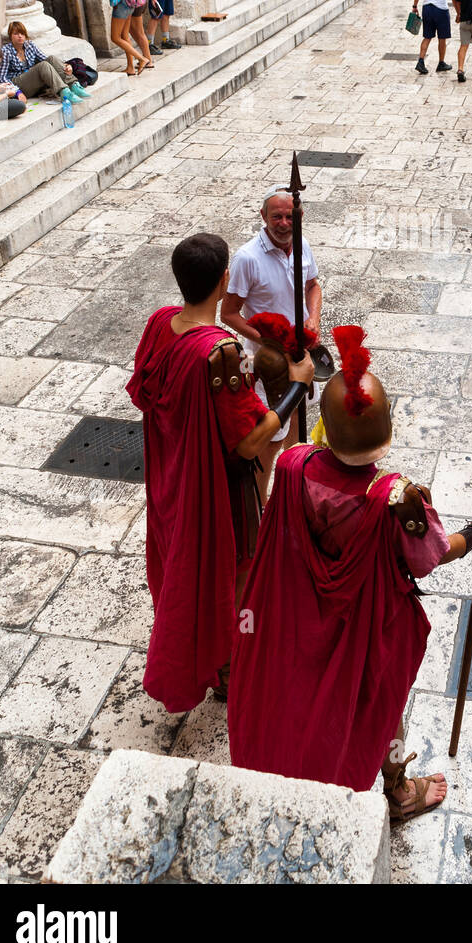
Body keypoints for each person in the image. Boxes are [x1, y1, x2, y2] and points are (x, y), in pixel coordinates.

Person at [228, 323, 472, 817]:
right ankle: (397, 790)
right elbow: (435, 554)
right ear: (387, 431)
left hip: (300, 614)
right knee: (384, 708)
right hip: (369, 624)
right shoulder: (399, 500)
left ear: (326, 430)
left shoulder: (293, 465)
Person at [127, 232, 316, 711]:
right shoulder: (219, 353)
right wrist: (296, 388)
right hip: (216, 489)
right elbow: (249, 440)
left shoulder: (159, 323)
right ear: (224, 279)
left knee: (180, 563)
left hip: (171, 475)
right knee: (236, 575)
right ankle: (229, 668)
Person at [220, 187, 323, 504]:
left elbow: (313, 285)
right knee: (269, 440)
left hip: (300, 354)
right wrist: (263, 338)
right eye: (276, 215)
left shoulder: (302, 244)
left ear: (300, 217)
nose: (283, 222)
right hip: (269, 364)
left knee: (295, 428)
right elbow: (228, 313)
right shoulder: (247, 259)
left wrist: (314, 319)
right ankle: (260, 510)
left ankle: (289, 498)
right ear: (263, 217)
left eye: (290, 216)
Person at [0, 21, 79, 103]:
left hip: (31, 81)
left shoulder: (30, 45)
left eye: (22, 33)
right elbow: (1, 78)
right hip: (18, 85)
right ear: (11, 36)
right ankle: (64, 92)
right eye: (16, 34)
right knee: (43, 65)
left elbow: (46, 59)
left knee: (51, 58)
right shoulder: (5, 51)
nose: (20, 36)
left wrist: (66, 65)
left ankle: (73, 85)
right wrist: (17, 92)